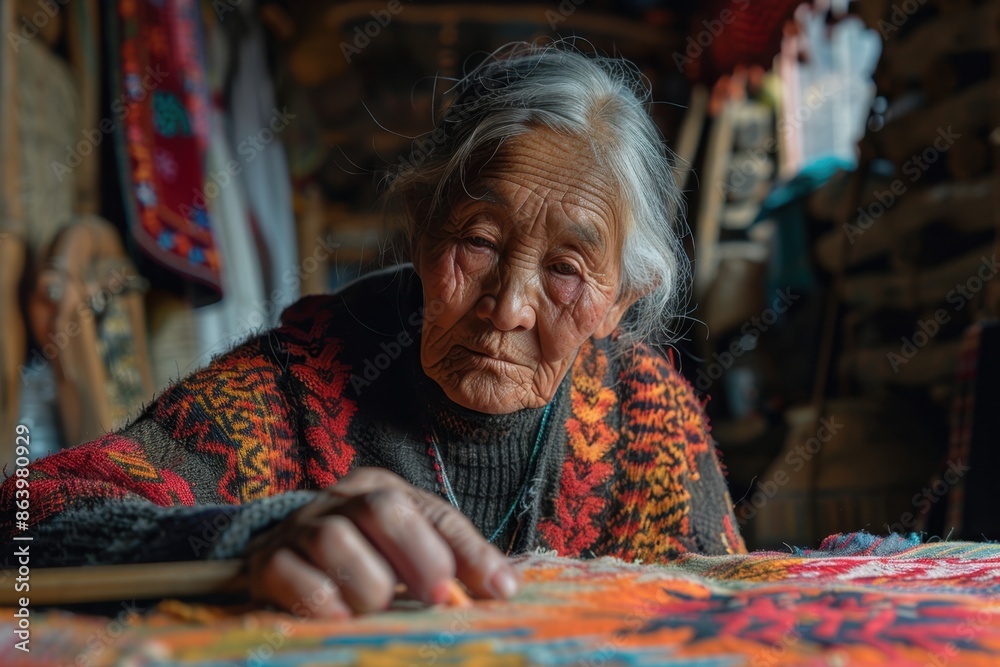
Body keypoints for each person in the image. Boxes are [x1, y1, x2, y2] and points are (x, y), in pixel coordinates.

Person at [0, 43, 745, 617]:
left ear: (621, 302)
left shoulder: (648, 420)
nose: (509, 307)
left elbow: (735, 622)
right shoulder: (295, 389)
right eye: (479, 241)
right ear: (420, 228)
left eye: (566, 271)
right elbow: (24, 525)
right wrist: (250, 533)